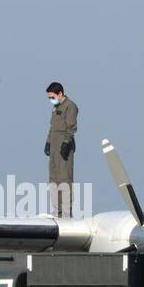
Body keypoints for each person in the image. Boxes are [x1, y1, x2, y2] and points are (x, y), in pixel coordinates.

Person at [44, 81, 78, 217]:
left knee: (65, 180)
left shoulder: (70, 107)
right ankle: (56, 210)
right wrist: (48, 142)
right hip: (54, 147)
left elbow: (71, 128)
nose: (51, 100)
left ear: (60, 94)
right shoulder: (55, 108)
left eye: (52, 97)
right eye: (49, 98)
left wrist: (66, 143)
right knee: (53, 179)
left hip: (64, 150)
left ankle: (65, 212)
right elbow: (52, 127)